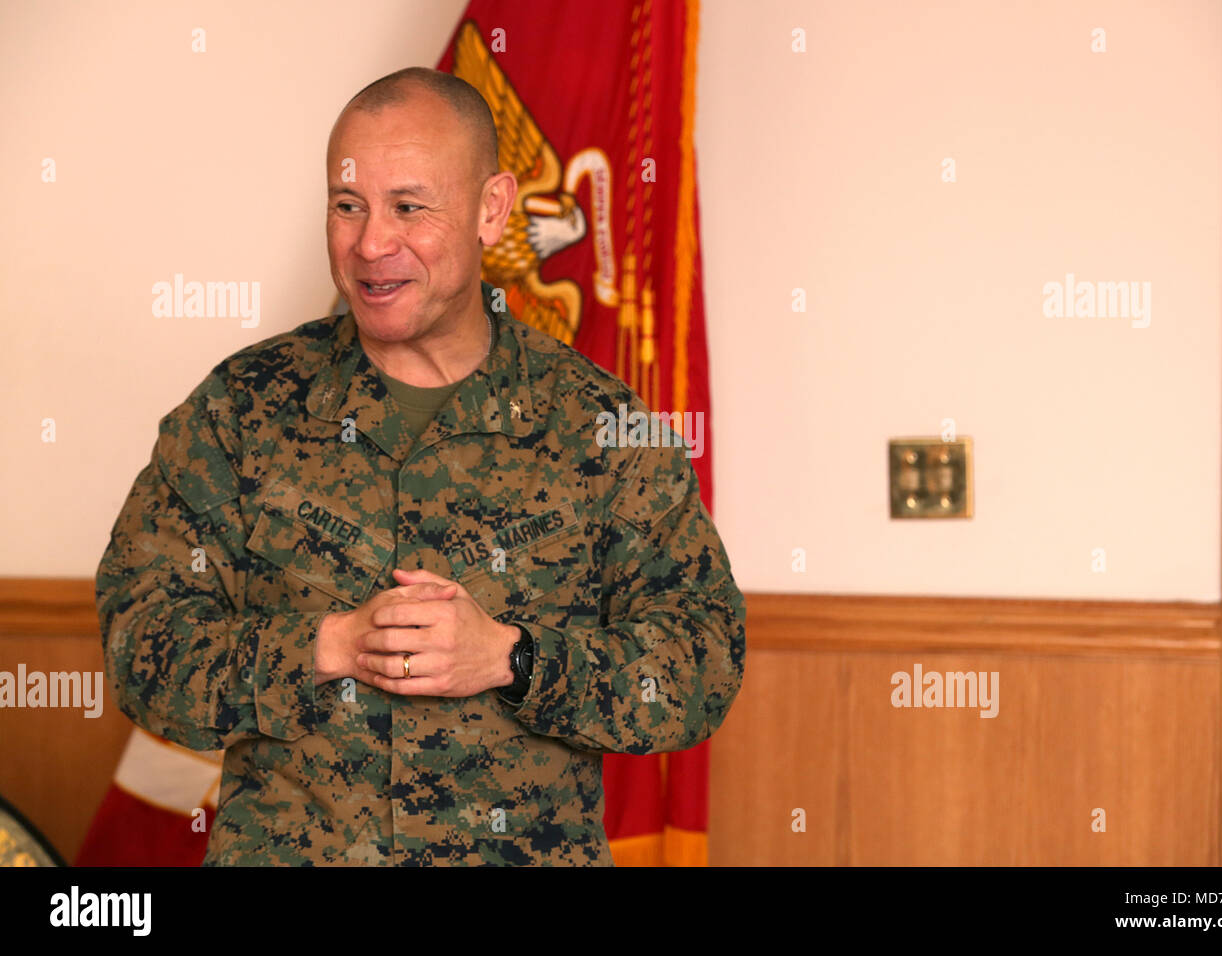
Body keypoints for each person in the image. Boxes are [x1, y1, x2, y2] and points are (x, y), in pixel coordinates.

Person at [95, 67, 746, 866]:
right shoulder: (240, 411)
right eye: (347, 205)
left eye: (408, 207)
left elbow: (702, 659)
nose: (371, 243)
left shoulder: (601, 428)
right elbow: (140, 642)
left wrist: (514, 658)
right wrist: (328, 647)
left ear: (492, 209)